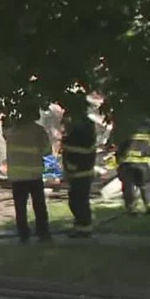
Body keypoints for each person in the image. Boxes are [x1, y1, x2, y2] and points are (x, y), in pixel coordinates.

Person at [5, 109, 53, 243]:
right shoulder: (38, 131)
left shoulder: (11, 131)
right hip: (34, 174)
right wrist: (52, 173)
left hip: (17, 176)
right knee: (39, 206)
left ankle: (23, 234)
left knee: (20, 208)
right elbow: (47, 151)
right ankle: (43, 233)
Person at [60, 98, 97, 238]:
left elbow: (77, 151)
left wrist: (69, 165)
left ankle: (84, 228)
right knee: (78, 200)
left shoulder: (80, 132)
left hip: (80, 171)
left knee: (78, 201)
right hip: (81, 171)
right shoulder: (86, 127)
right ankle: (81, 226)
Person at [116, 123, 150, 214]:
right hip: (143, 165)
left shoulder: (125, 133)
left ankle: (132, 209)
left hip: (128, 164)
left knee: (129, 187)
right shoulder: (147, 133)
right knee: (146, 186)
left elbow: (119, 150)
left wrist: (118, 162)